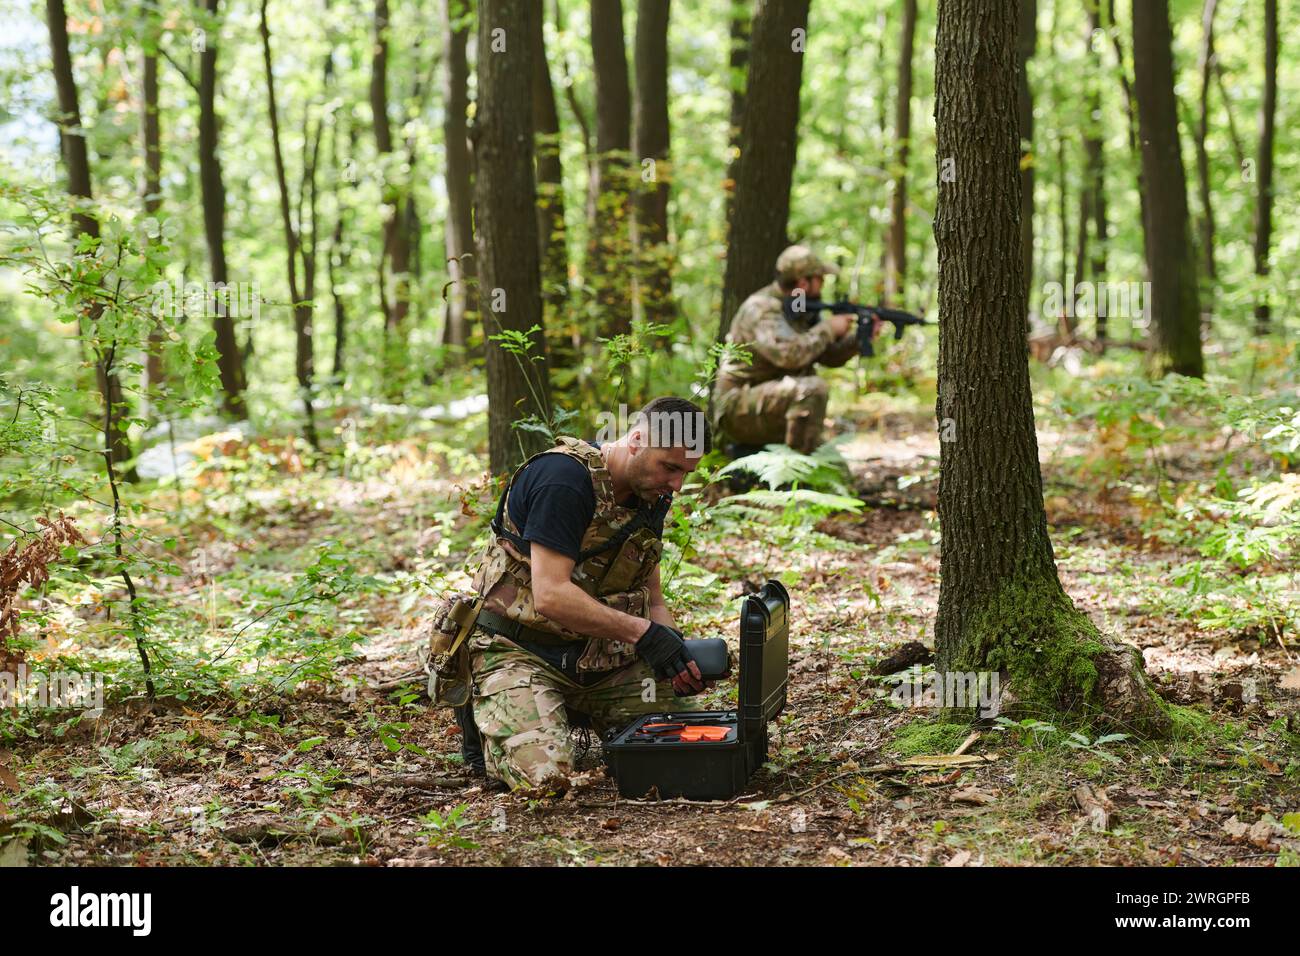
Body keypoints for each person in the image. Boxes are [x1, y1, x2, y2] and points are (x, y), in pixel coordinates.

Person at [458, 397, 713, 791]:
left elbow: (653, 596)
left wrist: (673, 652)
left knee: (691, 749)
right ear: (637, 440)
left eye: (686, 473)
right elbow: (551, 595)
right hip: (519, 652)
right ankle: (489, 718)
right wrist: (644, 635)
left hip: (600, 662)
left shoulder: (651, 495)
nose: (677, 485)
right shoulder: (564, 480)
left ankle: (576, 711)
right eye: (671, 467)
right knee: (547, 780)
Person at [714, 244, 878, 454]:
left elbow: (826, 356)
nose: (823, 285)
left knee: (837, 472)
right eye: (820, 279)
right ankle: (796, 469)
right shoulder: (762, 308)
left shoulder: (799, 307)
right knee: (812, 388)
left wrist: (858, 338)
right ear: (803, 282)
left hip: (770, 401)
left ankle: (797, 463)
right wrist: (828, 328)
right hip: (737, 408)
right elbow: (790, 356)